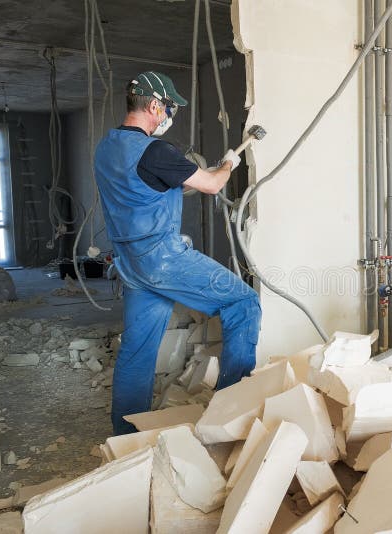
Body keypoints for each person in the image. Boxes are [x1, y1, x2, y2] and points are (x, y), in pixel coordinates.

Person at [94, 71, 260, 435]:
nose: (170, 115)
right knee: (243, 303)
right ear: (154, 105)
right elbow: (213, 184)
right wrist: (229, 162)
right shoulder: (156, 151)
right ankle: (228, 416)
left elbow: (141, 188)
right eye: (168, 107)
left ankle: (125, 439)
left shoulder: (106, 147)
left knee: (137, 350)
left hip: (130, 263)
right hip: (163, 258)